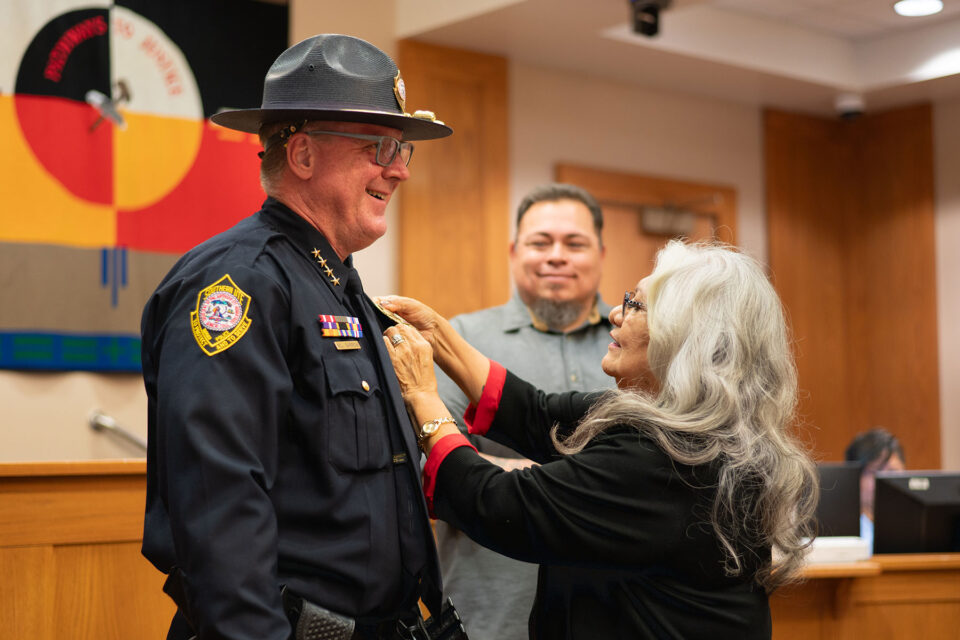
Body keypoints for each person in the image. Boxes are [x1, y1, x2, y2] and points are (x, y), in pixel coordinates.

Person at [140, 34, 457, 640]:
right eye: (379, 146)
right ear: (304, 155)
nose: (398, 169)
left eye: (402, 151)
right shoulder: (237, 283)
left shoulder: (341, 287)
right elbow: (220, 512)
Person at [379, 240, 818, 639]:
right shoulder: (691, 429)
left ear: (685, 340)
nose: (615, 312)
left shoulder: (666, 459)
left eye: (636, 305)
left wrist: (421, 396)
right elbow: (536, 413)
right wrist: (441, 338)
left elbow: (498, 505)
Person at [433, 182, 615, 640]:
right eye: (540, 242)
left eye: (574, 243)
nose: (557, 255)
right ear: (514, 252)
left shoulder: (636, 345)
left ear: (601, 253)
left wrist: (505, 470)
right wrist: (574, 483)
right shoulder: (462, 341)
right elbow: (431, 460)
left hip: (620, 613)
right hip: (489, 616)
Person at [844, 428, 906, 550]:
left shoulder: (915, 526)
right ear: (855, 477)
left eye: (892, 472)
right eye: (874, 473)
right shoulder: (839, 528)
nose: (885, 481)